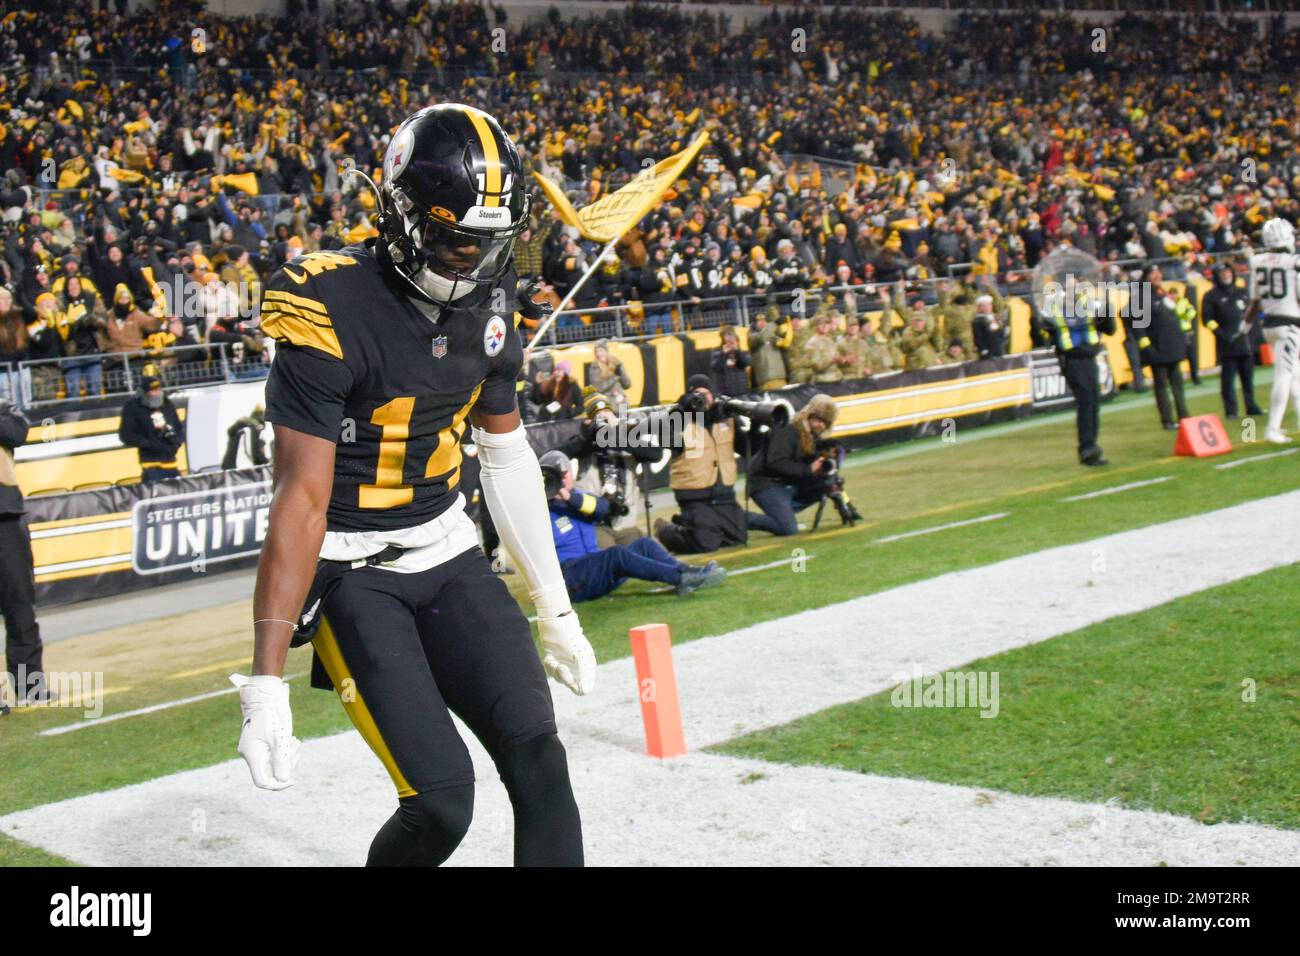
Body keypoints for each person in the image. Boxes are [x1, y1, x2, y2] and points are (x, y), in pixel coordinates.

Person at [233, 104, 592, 868]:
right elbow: (300, 496)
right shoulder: (328, 300)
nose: (475, 261)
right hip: (353, 570)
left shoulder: (494, 299)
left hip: (449, 548)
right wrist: (265, 683)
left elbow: (504, 455)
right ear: (400, 214)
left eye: (492, 244)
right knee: (439, 804)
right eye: (458, 239)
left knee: (540, 761)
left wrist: (556, 609)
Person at [542, 451, 725, 602]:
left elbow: (603, 508)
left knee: (644, 544)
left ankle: (687, 572)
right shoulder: (540, 511)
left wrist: (569, 498)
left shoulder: (579, 497)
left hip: (594, 570)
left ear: (570, 475)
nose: (562, 481)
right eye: (555, 477)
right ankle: (681, 578)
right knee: (616, 554)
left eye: (564, 475)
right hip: (571, 580)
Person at [654, 374, 747, 554]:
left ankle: (689, 524)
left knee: (738, 539)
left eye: (707, 393)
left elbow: (747, 448)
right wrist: (681, 410)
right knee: (706, 544)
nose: (704, 398)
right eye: (698, 394)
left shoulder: (725, 417)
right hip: (695, 495)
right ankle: (664, 530)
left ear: (714, 395)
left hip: (723, 493)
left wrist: (751, 424)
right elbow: (664, 439)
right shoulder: (679, 419)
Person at [1, 398, 53, 714]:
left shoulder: (4, 408)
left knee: (20, 604)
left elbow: (17, 432)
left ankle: (30, 686)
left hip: (5, 515)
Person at [1036, 283, 1116, 466]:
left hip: (1089, 358)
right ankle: (1087, 448)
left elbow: (1110, 330)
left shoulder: (1091, 305)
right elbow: (1041, 334)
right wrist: (1041, 324)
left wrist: (1107, 313)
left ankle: (1091, 447)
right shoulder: (1054, 308)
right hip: (1071, 359)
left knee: (1093, 401)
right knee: (1086, 400)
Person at [746, 394, 844, 536]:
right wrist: (809, 469)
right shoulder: (787, 429)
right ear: (809, 415)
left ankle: (784, 512)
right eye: (819, 419)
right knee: (787, 529)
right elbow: (775, 463)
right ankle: (739, 519)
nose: (821, 425)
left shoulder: (813, 437)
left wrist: (826, 466)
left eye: (826, 422)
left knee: (826, 483)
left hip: (786, 483)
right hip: (766, 483)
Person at [1248, 218, 1300, 443]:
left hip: (1269, 324)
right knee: (1284, 375)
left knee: (1295, 375)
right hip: (1289, 324)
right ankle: (1273, 428)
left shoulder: (1258, 261)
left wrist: (1244, 326)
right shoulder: (1294, 262)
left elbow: (1255, 301)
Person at [1201, 263, 1262, 420]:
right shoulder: (1211, 296)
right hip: (1227, 345)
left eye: (1228, 271)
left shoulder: (1241, 292)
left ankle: (1251, 406)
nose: (1226, 275)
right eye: (1222, 272)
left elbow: (1251, 314)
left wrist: (1252, 336)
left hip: (1245, 343)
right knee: (1228, 381)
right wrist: (1221, 334)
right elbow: (1207, 320)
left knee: (1248, 378)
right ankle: (1231, 411)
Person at [1136, 266, 1190, 431]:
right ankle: (1167, 419)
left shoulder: (1162, 293)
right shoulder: (1141, 297)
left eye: (1158, 273)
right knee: (1161, 386)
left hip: (1172, 347)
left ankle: (1184, 416)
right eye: (1153, 274)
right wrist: (1147, 347)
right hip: (1157, 348)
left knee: (1178, 383)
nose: (1157, 276)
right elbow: (1138, 327)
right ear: (1145, 278)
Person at [118, 374, 185, 481]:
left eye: (159, 389)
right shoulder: (132, 407)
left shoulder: (167, 404)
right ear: (144, 393)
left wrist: (175, 443)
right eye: (153, 390)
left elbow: (179, 428)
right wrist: (148, 444)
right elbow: (126, 435)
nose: (157, 393)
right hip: (150, 464)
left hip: (171, 462)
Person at [710, 325, 752, 396]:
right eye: (726, 335)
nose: (729, 338)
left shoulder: (739, 350)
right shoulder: (718, 351)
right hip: (726, 392)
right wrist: (723, 353)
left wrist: (736, 350)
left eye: (731, 335)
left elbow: (746, 363)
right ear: (723, 338)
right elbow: (716, 368)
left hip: (742, 391)